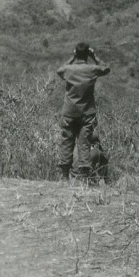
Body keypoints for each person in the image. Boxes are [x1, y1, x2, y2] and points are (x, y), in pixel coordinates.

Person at [56, 42, 111, 181]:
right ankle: (84, 176)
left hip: (69, 111)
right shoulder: (92, 69)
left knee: (66, 141)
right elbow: (106, 68)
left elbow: (59, 70)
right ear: (87, 54)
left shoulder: (69, 70)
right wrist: (94, 56)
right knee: (84, 143)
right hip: (87, 112)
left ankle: (64, 176)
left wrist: (73, 57)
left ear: (76, 53)